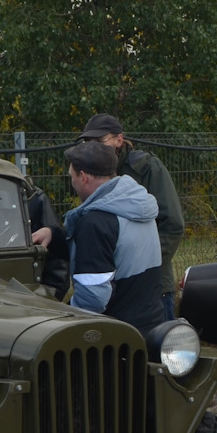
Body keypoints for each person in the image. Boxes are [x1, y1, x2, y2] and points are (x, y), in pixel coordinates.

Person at [29, 140, 166, 331]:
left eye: (72, 177)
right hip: (151, 322)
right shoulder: (135, 206)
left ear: (83, 177)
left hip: (116, 334)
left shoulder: (95, 223)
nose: (73, 183)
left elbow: (93, 298)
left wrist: (60, 319)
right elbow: (112, 253)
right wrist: (54, 234)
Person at [79, 114, 185, 316]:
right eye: (87, 142)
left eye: (100, 141)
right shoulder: (89, 173)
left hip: (153, 290)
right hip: (109, 291)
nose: (93, 148)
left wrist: (138, 266)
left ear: (119, 140)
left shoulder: (147, 168)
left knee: (155, 346)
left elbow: (173, 225)